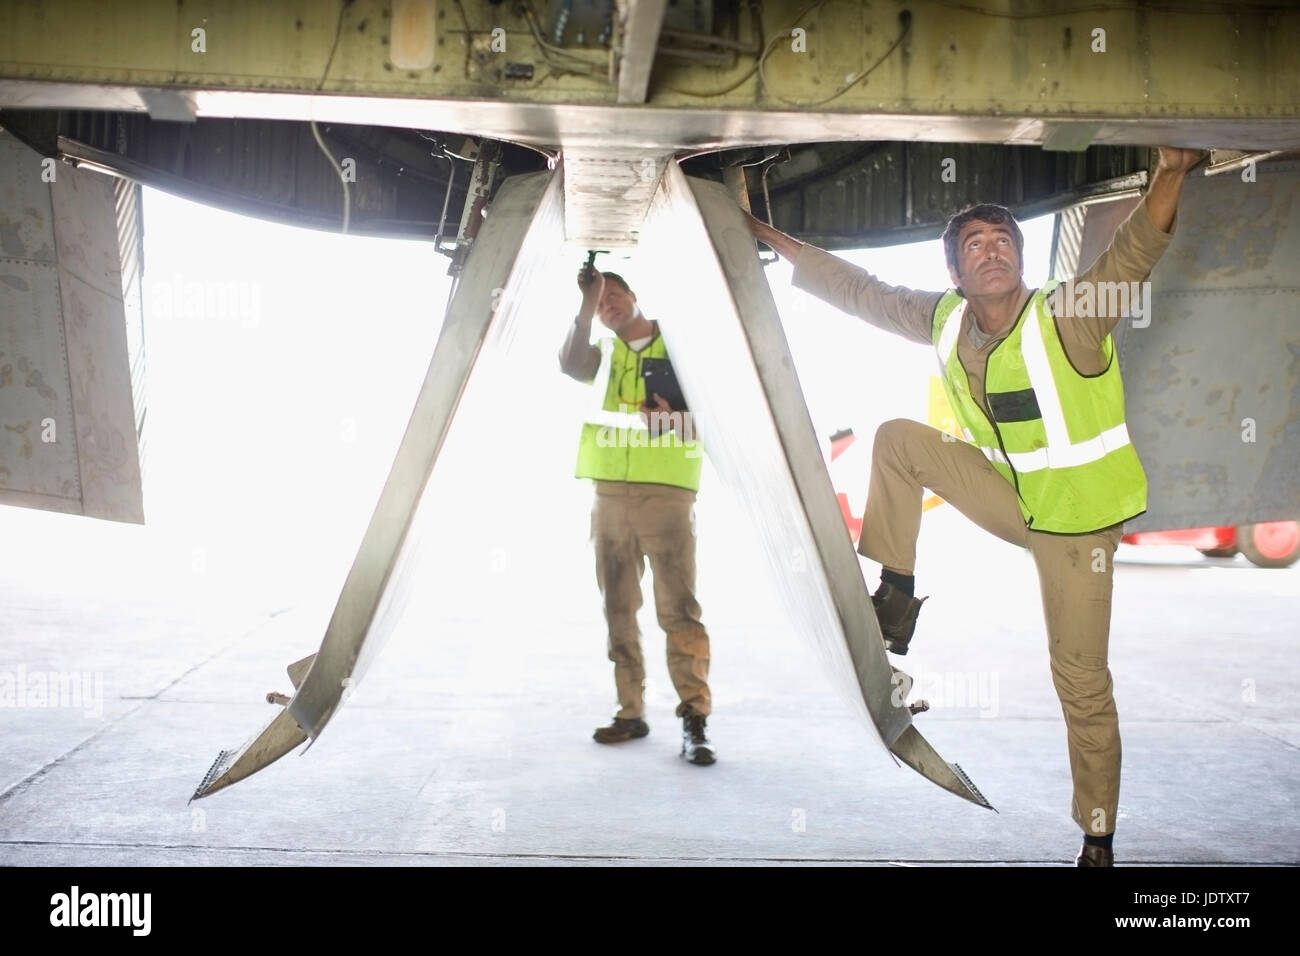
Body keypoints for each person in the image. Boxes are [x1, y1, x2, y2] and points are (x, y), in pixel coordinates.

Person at [745, 147, 1202, 865]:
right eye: (974, 246)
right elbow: (862, 290)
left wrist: (1171, 173)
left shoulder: (1068, 318)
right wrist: (768, 236)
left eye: (1003, 242)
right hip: (1013, 496)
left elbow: (1132, 255)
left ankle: (1098, 836)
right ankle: (894, 600)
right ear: (956, 273)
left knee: (1080, 680)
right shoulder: (946, 321)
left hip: (1077, 524)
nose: (991, 253)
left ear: (1020, 259)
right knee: (898, 440)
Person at [558, 265, 716, 765]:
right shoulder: (601, 354)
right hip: (609, 495)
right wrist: (585, 304)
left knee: (678, 611)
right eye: (601, 304)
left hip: (668, 493)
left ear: (633, 294)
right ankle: (631, 710)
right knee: (618, 609)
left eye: (613, 296)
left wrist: (675, 419)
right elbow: (569, 362)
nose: (609, 306)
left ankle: (695, 719)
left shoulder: (684, 347)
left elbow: (717, 417)